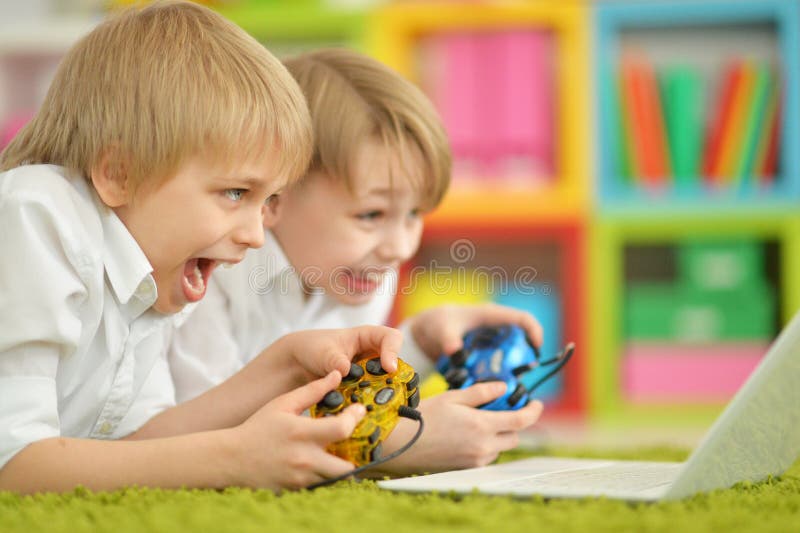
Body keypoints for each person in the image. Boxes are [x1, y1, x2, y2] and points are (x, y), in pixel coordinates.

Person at [0, 2, 402, 494]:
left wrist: (284, 365)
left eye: (269, 200)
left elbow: (136, 446)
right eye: (236, 193)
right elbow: (13, 465)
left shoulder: (152, 273)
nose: (256, 235)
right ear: (119, 174)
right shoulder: (37, 214)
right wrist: (231, 459)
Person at [169, 48, 545, 475]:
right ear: (277, 193)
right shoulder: (215, 275)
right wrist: (391, 446)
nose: (398, 247)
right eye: (371, 215)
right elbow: (204, 439)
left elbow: (344, 391)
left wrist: (420, 342)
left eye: (414, 215)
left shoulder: (360, 273)